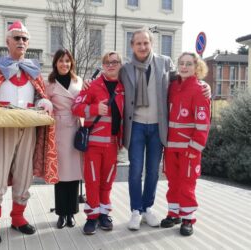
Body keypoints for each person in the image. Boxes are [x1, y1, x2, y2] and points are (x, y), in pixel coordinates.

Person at [120, 27, 211, 230]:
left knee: (153, 172)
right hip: (135, 126)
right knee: (135, 171)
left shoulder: (165, 63)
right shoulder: (125, 69)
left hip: (158, 127)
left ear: (152, 44)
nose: (143, 46)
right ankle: (136, 210)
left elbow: (183, 81)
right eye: (138, 43)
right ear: (132, 45)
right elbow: (108, 82)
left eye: (146, 42)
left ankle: (147, 208)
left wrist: (205, 86)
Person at [0, 20, 58, 245]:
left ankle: (18, 217)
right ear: (8, 42)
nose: (21, 42)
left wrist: (44, 101)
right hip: (4, 127)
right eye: (17, 38)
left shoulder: (33, 69)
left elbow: (39, 95)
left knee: (24, 174)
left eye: (24, 39)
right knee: (0, 174)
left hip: (28, 126)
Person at [72, 51, 124, 235]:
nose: (111, 65)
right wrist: (94, 108)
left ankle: (103, 214)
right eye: (107, 62)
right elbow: (76, 107)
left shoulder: (124, 87)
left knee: (107, 182)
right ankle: (92, 217)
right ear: (102, 65)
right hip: (93, 145)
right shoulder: (92, 86)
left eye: (115, 62)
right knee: (92, 182)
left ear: (120, 65)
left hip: (113, 145)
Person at [160, 52, 210, 236]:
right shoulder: (172, 86)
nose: (184, 67)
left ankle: (188, 218)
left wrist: (195, 147)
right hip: (171, 146)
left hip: (189, 148)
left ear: (196, 67)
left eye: (188, 64)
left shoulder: (199, 89)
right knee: (172, 182)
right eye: (181, 63)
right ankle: (174, 214)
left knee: (187, 184)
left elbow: (203, 123)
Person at [46, 49, 83, 229]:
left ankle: (72, 214)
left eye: (67, 61)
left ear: (71, 63)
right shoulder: (50, 83)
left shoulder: (78, 81)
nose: (64, 64)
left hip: (75, 127)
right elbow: (44, 103)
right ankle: (61, 214)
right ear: (55, 63)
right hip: (58, 128)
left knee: (74, 173)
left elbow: (84, 102)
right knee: (60, 174)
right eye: (61, 61)